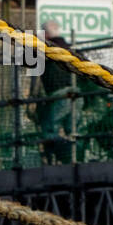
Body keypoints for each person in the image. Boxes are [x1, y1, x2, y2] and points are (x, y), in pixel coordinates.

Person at [31, 19, 75, 165]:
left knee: (50, 130)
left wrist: (35, 43)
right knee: (73, 130)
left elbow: (28, 61)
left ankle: (62, 156)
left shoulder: (46, 50)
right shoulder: (71, 49)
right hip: (77, 94)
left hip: (60, 95)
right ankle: (76, 157)